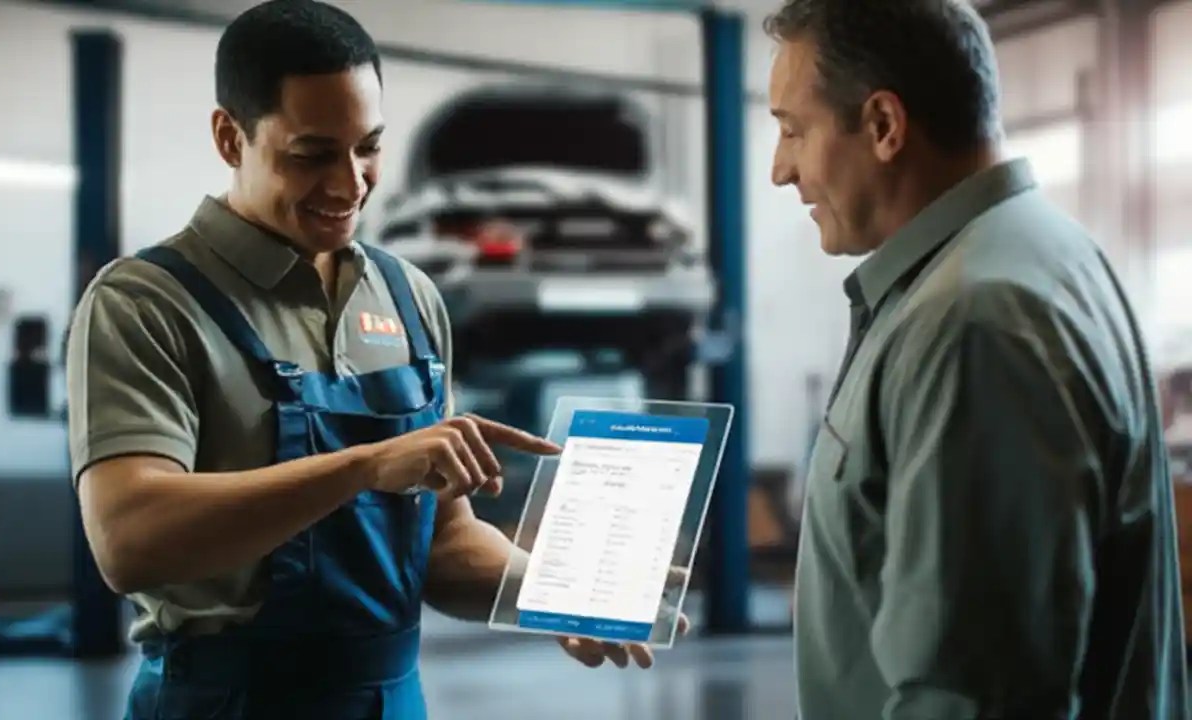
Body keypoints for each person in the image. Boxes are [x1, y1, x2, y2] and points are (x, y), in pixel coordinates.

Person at [66, 2, 681, 718]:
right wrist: (364, 465)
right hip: (226, 701)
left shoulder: (408, 295)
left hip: (391, 700)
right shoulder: (147, 303)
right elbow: (130, 539)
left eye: (369, 148)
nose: (351, 182)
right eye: (313, 153)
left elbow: (443, 544)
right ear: (230, 137)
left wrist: (553, 589)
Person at [762, 1, 1190, 718]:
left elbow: (974, 695)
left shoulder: (976, 320)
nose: (781, 170)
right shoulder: (1036, 252)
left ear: (883, 127)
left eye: (793, 132)